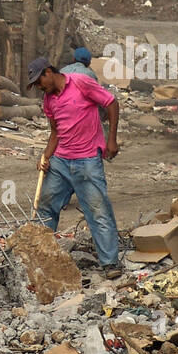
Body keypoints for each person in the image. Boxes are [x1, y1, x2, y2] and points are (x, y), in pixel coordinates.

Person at [27, 55, 124, 279]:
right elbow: (55, 132)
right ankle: (44, 257)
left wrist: (112, 139)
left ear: (48, 72)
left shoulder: (80, 82)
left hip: (87, 160)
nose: (39, 88)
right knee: (45, 207)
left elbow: (111, 103)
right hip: (61, 161)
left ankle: (110, 263)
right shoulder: (49, 100)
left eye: (39, 82)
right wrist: (46, 156)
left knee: (98, 211)